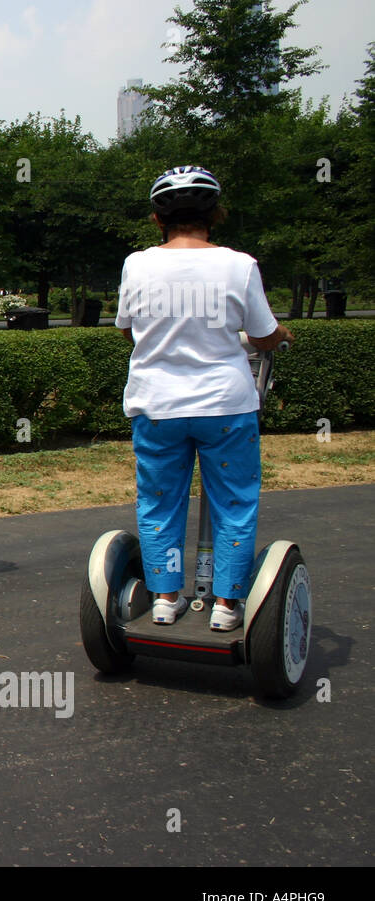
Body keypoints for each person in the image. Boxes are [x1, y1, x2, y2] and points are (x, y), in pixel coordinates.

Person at [116, 165, 293, 631]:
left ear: (157, 220)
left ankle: (165, 598)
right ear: (216, 214)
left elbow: (125, 329)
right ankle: (226, 605)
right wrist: (280, 336)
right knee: (234, 502)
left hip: (157, 406)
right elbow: (263, 333)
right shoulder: (239, 264)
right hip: (225, 406)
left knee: (159, 502)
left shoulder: (137, 263)